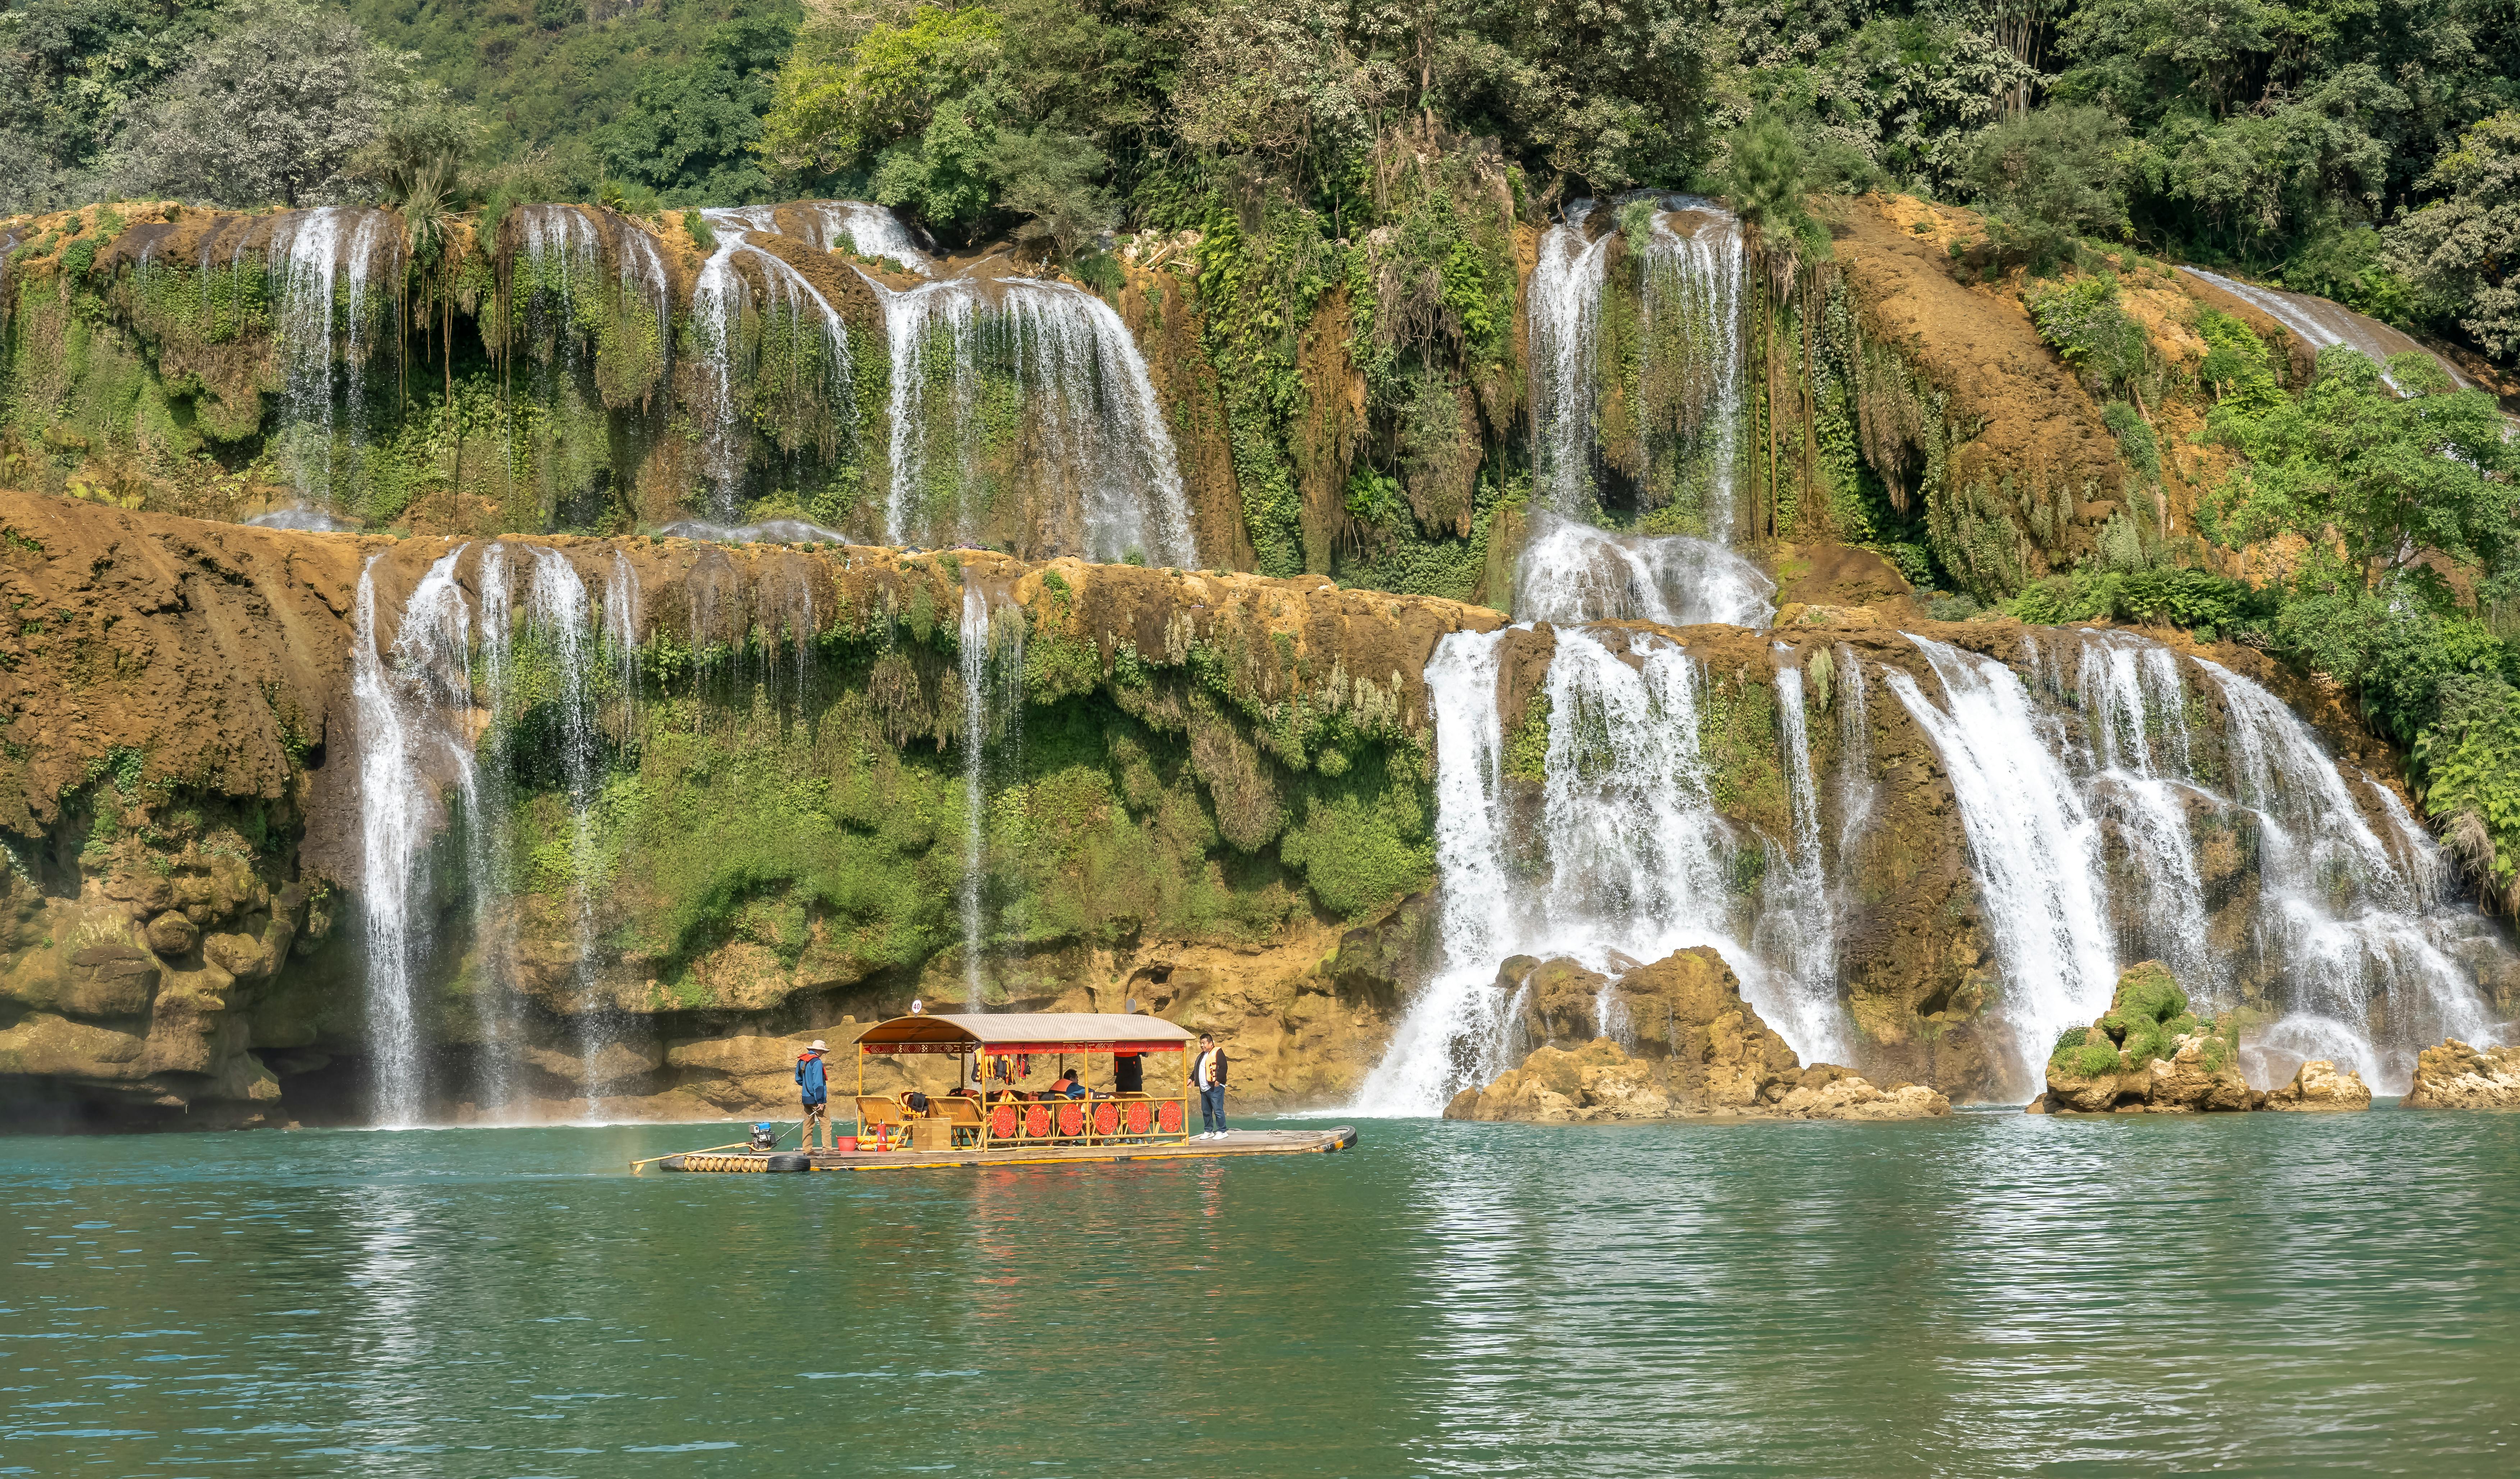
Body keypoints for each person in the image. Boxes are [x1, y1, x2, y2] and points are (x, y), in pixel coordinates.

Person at [1188, 1033, 1228, 1139]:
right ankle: (1208, 1131)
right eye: (1201, 1043)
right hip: (1204, 1088)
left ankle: (1222, 1131)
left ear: (1211, 1043)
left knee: (1218, 1110)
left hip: (1215, 1087)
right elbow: (1197, 1069)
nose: (1202, 1045)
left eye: (1204, 1043)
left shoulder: (1218, 1053)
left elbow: (1224, 1067)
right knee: (1206, 1111)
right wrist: (1191, 1079)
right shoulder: (1202, 1055)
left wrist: (1218, 1081)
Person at [796, 1039, 831, 1150]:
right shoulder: (817, 1062)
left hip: (806, 1098)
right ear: (820, 1051)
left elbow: (798, 1079)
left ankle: (807, 1150)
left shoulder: (802, 1061)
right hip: (816, 1100)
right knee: (826, 1123)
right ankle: (827, 1149)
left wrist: (807, 1086)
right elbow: (818, 1084)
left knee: (808, 1125)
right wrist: (820, 1101)